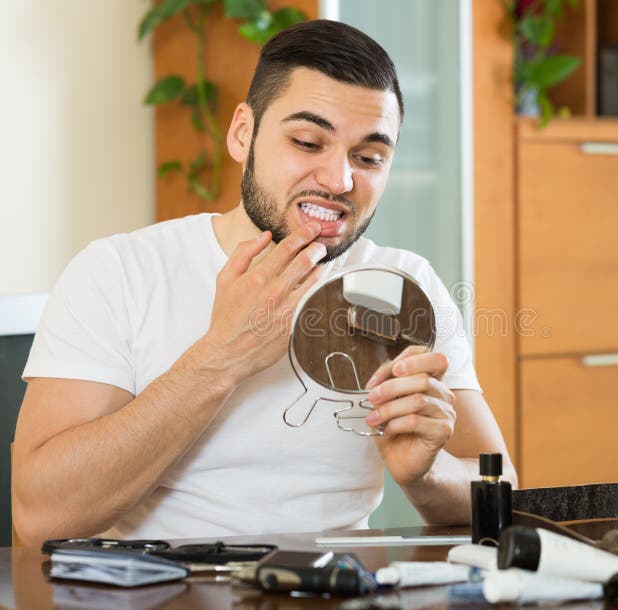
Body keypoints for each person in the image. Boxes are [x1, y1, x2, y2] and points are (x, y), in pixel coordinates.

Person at [12, 19, 516, 543]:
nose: (340, 181)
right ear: (242, 133)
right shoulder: (119, 272)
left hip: (336, 591)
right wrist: (220, 357)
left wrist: (427, 474)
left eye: (368, 158)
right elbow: (40, 517)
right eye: (307, 141)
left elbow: (501, 494)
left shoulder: (403, 285)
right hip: (162, 595)